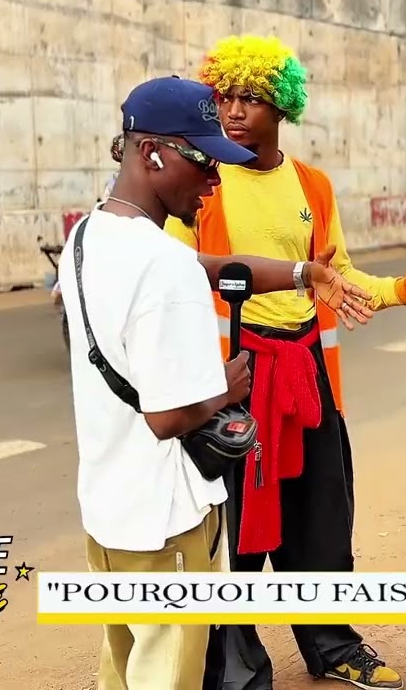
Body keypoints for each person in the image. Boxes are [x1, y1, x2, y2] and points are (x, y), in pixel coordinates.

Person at [57, 75, 376, 690]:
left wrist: (303, 271)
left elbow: (214, 268)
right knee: (170, 675)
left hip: (108, 511)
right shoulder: (164, 266)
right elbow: (169, 416)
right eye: (205, 163)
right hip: (167, 519)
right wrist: (225, 389)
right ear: (153, 154)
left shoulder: (88, 236)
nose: (215, 180)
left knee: (122, 666)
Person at [166, 34, 406, 690]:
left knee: (321, 520)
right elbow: (177, 274)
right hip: (229, 384)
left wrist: (405, 288)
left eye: (253, 99)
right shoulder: (203, 186)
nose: (235, 110)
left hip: (308, 381)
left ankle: (332, 645)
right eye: (226, 96)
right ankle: (232, 666)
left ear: (282, 107)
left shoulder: (312, 186)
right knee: (233, 537)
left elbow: (336, 276)